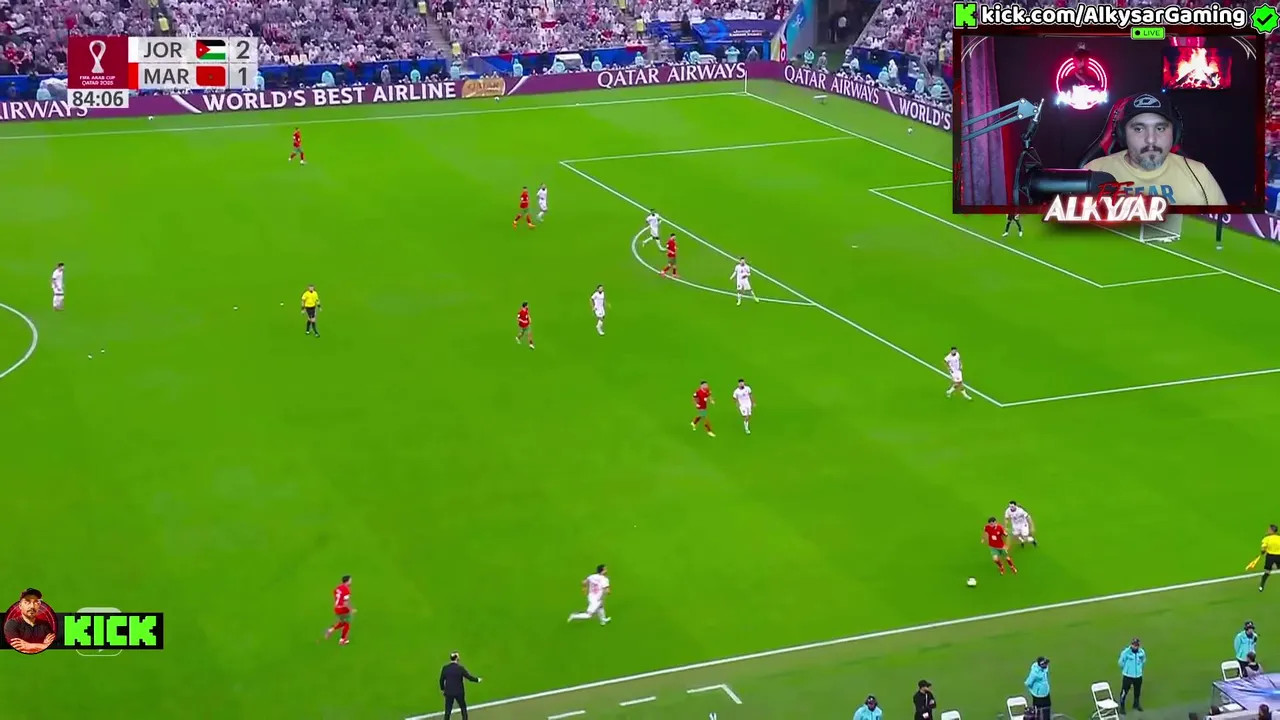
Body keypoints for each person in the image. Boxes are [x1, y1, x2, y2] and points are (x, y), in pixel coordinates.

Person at [1083, 94, 1226, 206]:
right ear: (1123, 134)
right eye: (1139, 129)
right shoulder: (1094, 170)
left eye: (1160, 128)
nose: (1150, 139)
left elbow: (1227, 230)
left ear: (1174, 134)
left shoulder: (1199, 173)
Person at [4, 588, 57, 654]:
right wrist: (43, 646)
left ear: (39, 605)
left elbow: (53, 649)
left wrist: (29, 646)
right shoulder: (12, 624)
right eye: (27, 602)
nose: (32, 606)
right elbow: (18, 652)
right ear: (20, 606)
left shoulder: (45, 624)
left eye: (36, 602)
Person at [439, 651, 482, 719]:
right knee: (463, 708)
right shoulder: (460, 668)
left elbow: (441, 680)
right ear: (456, 658)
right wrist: (477, 680)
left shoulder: (445, 668)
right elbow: (469, 677)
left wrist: (443, 689)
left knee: (448, 710)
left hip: (449, 692)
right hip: (459, 692)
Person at [323, 575, 354, 645]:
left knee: (342, 622)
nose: (351, 582)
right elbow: (346, 603)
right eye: (350, 580)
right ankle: (342, 640)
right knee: (347, 624)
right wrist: (351, 609)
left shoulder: (338, 587)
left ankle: (330, 630)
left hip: (337, 608)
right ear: (347, 581)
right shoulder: (346, 590)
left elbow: (335, 594)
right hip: (343, 609)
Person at [1118, 638, 1145, 713]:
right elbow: (1121, 662)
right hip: (1128, 676)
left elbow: (1143, 661)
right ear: (1131, 645)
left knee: (1137, 691)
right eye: (1134, 645)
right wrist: (1126, 669)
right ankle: (1122, 707)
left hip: (1138, 676)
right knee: (1124, 691)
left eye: (1136, 645)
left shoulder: (1141, 652)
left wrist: (1139, 669)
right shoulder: (1126, 652)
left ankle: (1136, 704)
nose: (1135, 647)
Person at [1257, 524, 1280, 592]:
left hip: (1270, 557)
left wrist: (1262, 552)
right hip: (1279, 556)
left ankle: (1261, 586)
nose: (1268, 530)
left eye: (1269, 529)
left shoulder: (1266, 538)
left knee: (1267, 572)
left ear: (1272, 530)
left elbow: (1263, 549)